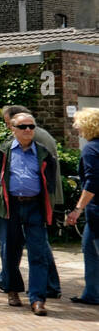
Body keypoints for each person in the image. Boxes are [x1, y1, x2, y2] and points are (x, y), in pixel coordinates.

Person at [0, 105, 63, 300]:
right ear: (13, 128)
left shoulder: (42, 151)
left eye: (31, 126)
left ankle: (38, 298)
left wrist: (49, 202)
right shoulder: (1, 152)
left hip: (35, 206)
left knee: (38, 252)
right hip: (11, 207)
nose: (28, 130)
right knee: (10, 252)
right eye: (23, 127)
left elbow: (50, 179)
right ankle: (12, 291)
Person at [66, 107, 99, 306]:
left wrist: (78, 209)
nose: (75, 127)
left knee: (92, 251)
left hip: (97, 210)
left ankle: (92, 294)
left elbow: (93, 182)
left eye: (78, 123)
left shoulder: (91, 149)